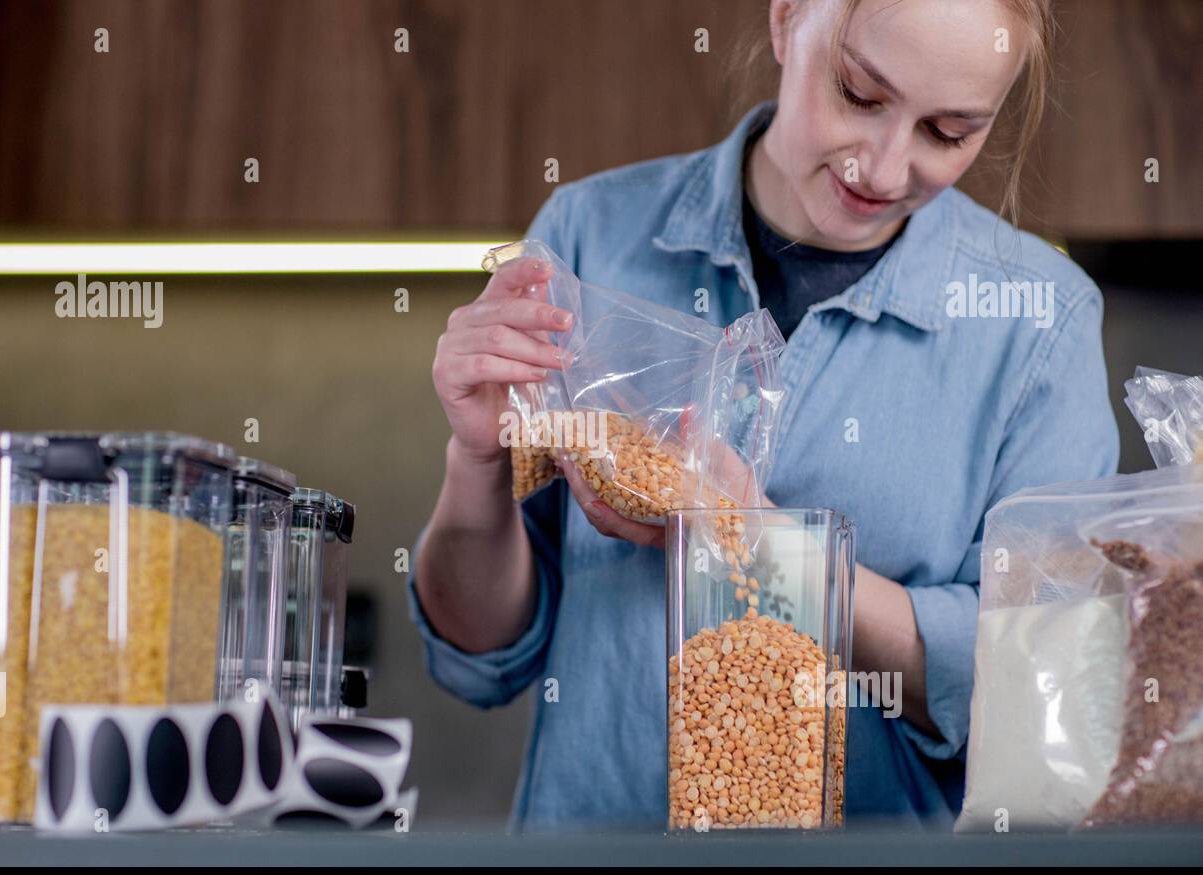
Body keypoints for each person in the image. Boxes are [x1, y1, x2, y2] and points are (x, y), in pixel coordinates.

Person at [408, 0, 1119, 830]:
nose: (886, 171)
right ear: (786, 21)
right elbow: (480, 655)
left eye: (948, 133)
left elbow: (1049, 684)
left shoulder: (1039, 319)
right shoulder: (591, 233)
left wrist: (766, 546)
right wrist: (479, 459)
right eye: (858, 94)